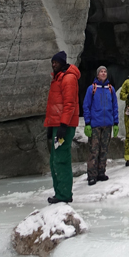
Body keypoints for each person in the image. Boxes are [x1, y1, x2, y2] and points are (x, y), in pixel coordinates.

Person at [44, 50, 80, 204]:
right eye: (52, 62)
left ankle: (64, 194)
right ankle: (60, 192)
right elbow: (53, 106)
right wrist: (49, 127)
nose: (54, 65)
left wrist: (63, 125)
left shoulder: (68, 78)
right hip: (57, 125)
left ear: (62, 63)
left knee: (61, 160)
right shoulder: (58, 78)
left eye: (56, 62)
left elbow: (69, 104)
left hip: (64, 125)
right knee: (55, 159)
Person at [83, 65, 119, 185]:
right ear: (97, 74)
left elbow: (115, 106)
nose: (103, 73)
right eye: (101, 72)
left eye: (105, 72)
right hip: (95, 125)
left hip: (107, 124)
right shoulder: (91, 89)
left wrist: (116, 122)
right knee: (94, 150)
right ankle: (92, 175)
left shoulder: (110, 89)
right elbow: (86, 106)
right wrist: (87, 123)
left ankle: (101, 172)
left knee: (104, 149)